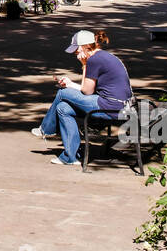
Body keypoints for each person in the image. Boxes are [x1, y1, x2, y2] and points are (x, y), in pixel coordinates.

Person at [31, 29, 132, 166]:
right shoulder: (101, 56)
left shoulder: (94, 60)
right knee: (63, 108)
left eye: (76, 50)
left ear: (85, 46)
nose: (75, 53)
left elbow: (87, 91)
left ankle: (46, 129)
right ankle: (70, 157)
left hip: (110, 107)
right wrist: (71, 84)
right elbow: (88, 89)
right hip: (119, 105)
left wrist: (84, 65)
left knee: (62, 93)